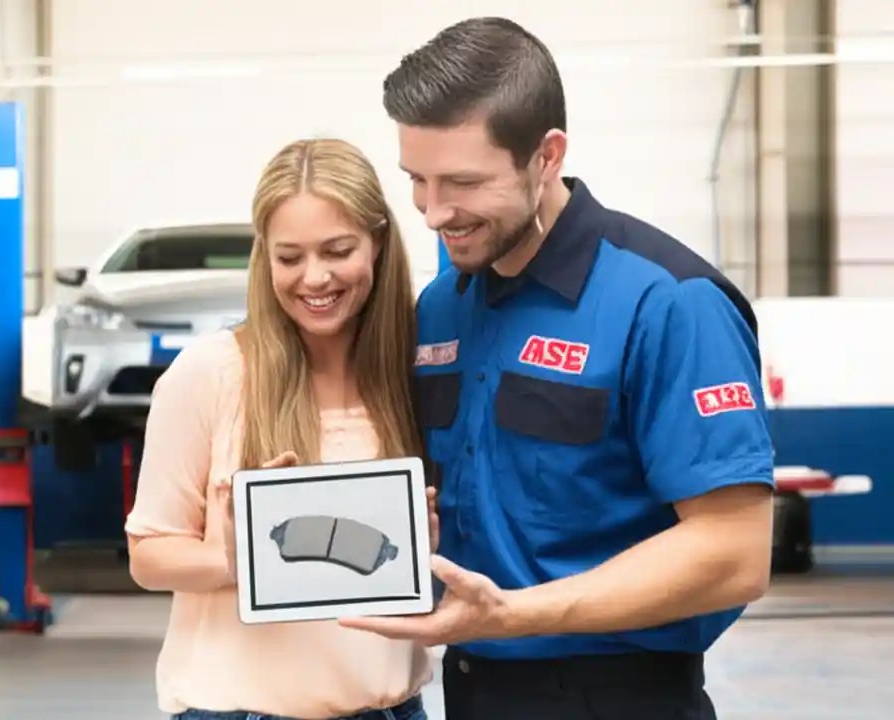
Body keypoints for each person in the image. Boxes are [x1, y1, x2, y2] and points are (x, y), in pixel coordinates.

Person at [339, 16, 776, 720]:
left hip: (618, 698)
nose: (433, 212)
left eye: (463, 182)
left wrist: (513, 614)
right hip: (472, 689)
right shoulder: (444, 307)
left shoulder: (667, 302)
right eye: (416, 179)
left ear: (546, 156)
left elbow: (734, 552)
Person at [125, 137, 436, 720]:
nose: (314, 278)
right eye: (289, 257)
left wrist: (424, 552)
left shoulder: (410, 376)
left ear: (379, 244)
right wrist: (233, 559)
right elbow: (147, 555)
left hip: (395, 709)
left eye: (338, 250)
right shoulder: (212, 373)